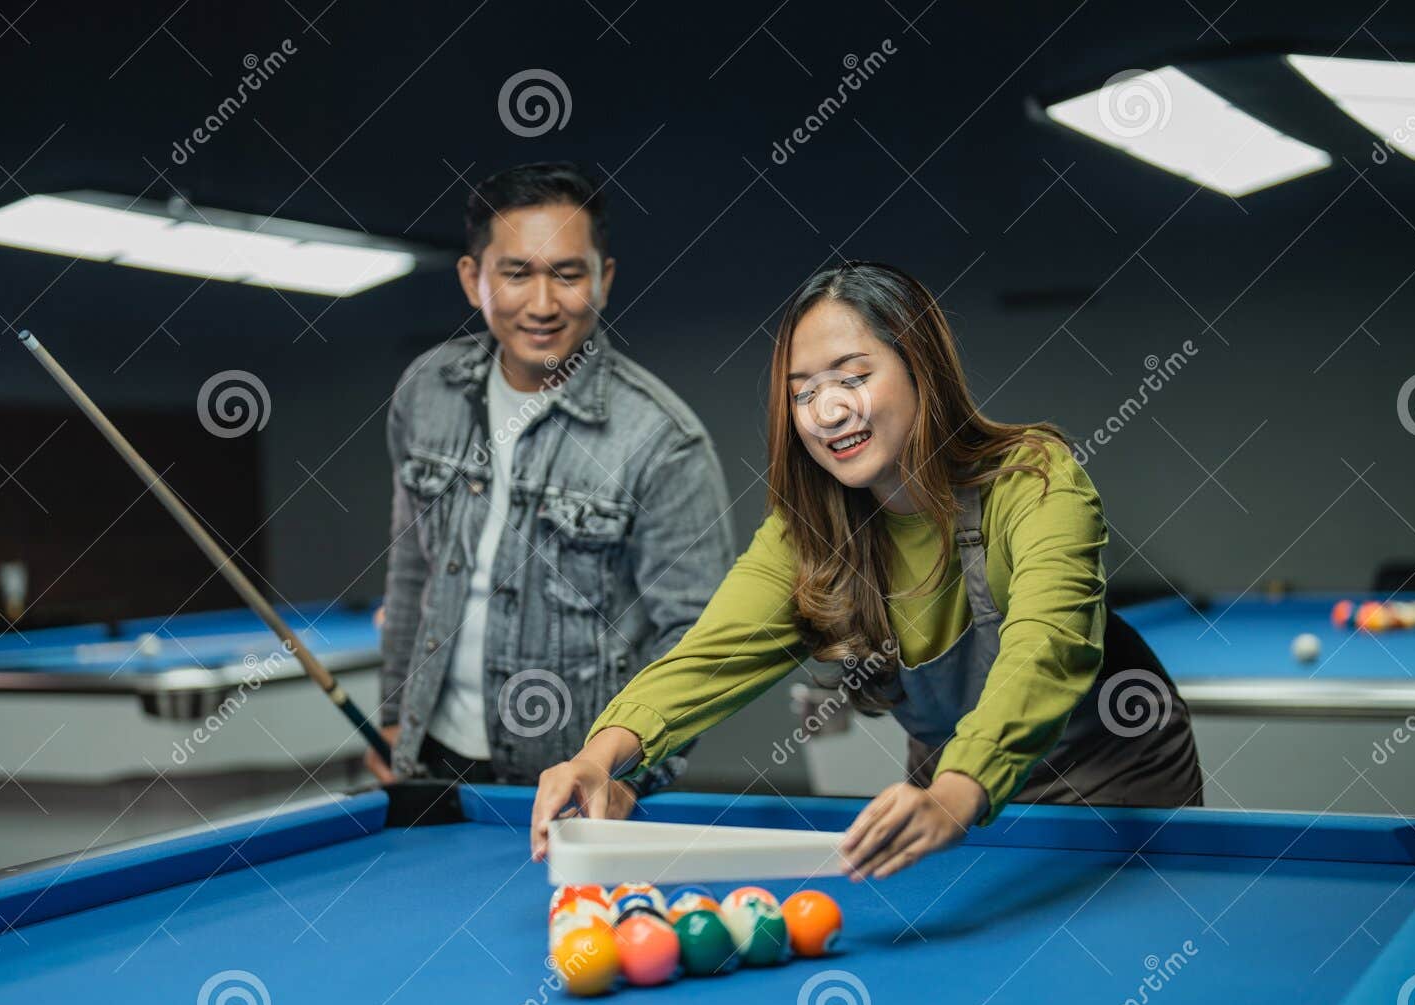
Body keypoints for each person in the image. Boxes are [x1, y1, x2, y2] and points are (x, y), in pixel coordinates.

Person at [531, 261, 1203, 878]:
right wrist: (598, 757)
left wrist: (957, 789)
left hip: (1113, 792)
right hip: (946, 802)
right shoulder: (807, 533)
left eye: (853, 377)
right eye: (804, 392)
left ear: (921, 368)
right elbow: (706, 659)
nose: (829, 412)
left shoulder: (1034, 479)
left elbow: (1047, 650)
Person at [370, 162, 734, 805]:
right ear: (473, 279)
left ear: (604, 280)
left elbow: (699, 644)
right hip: (431, 760)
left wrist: (629, 777)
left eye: (568, 274)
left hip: (577, 781)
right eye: (517, 273)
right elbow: (410, 569)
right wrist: (395, 716)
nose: (543, 304)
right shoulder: (426, 390)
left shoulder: (664, 439)